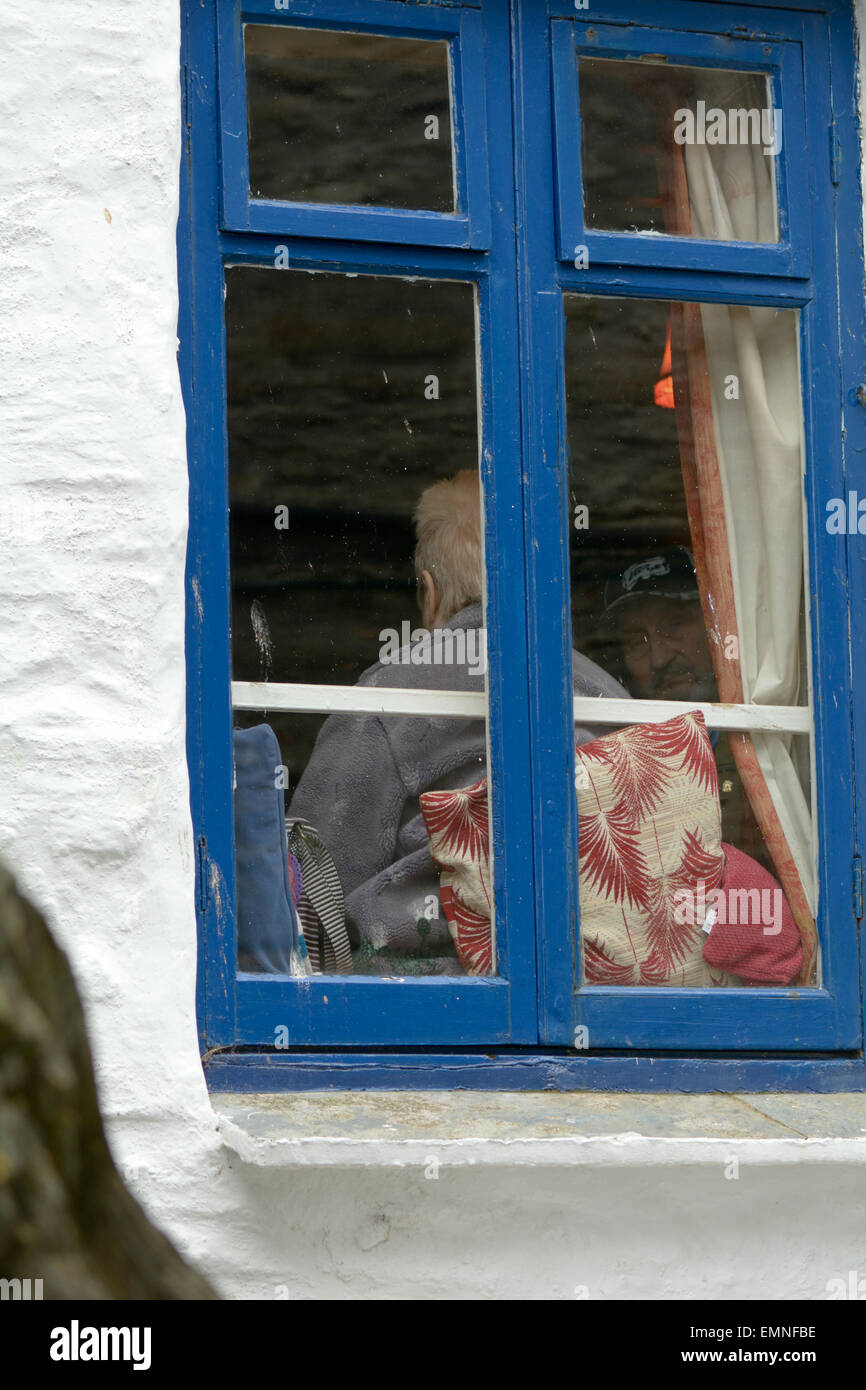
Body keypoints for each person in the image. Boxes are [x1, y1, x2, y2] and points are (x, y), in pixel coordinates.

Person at [289, 469, 628, 973]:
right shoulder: (610, 695)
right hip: (603, 992)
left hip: (420, 1006)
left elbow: (311, 883)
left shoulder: (387, 698)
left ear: (428, 593)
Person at [603, 546, 802, 984]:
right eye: (636, 641)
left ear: (715, 626)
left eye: (673, 626)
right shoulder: (618, 757)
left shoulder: (772, 744)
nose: (658, 657)